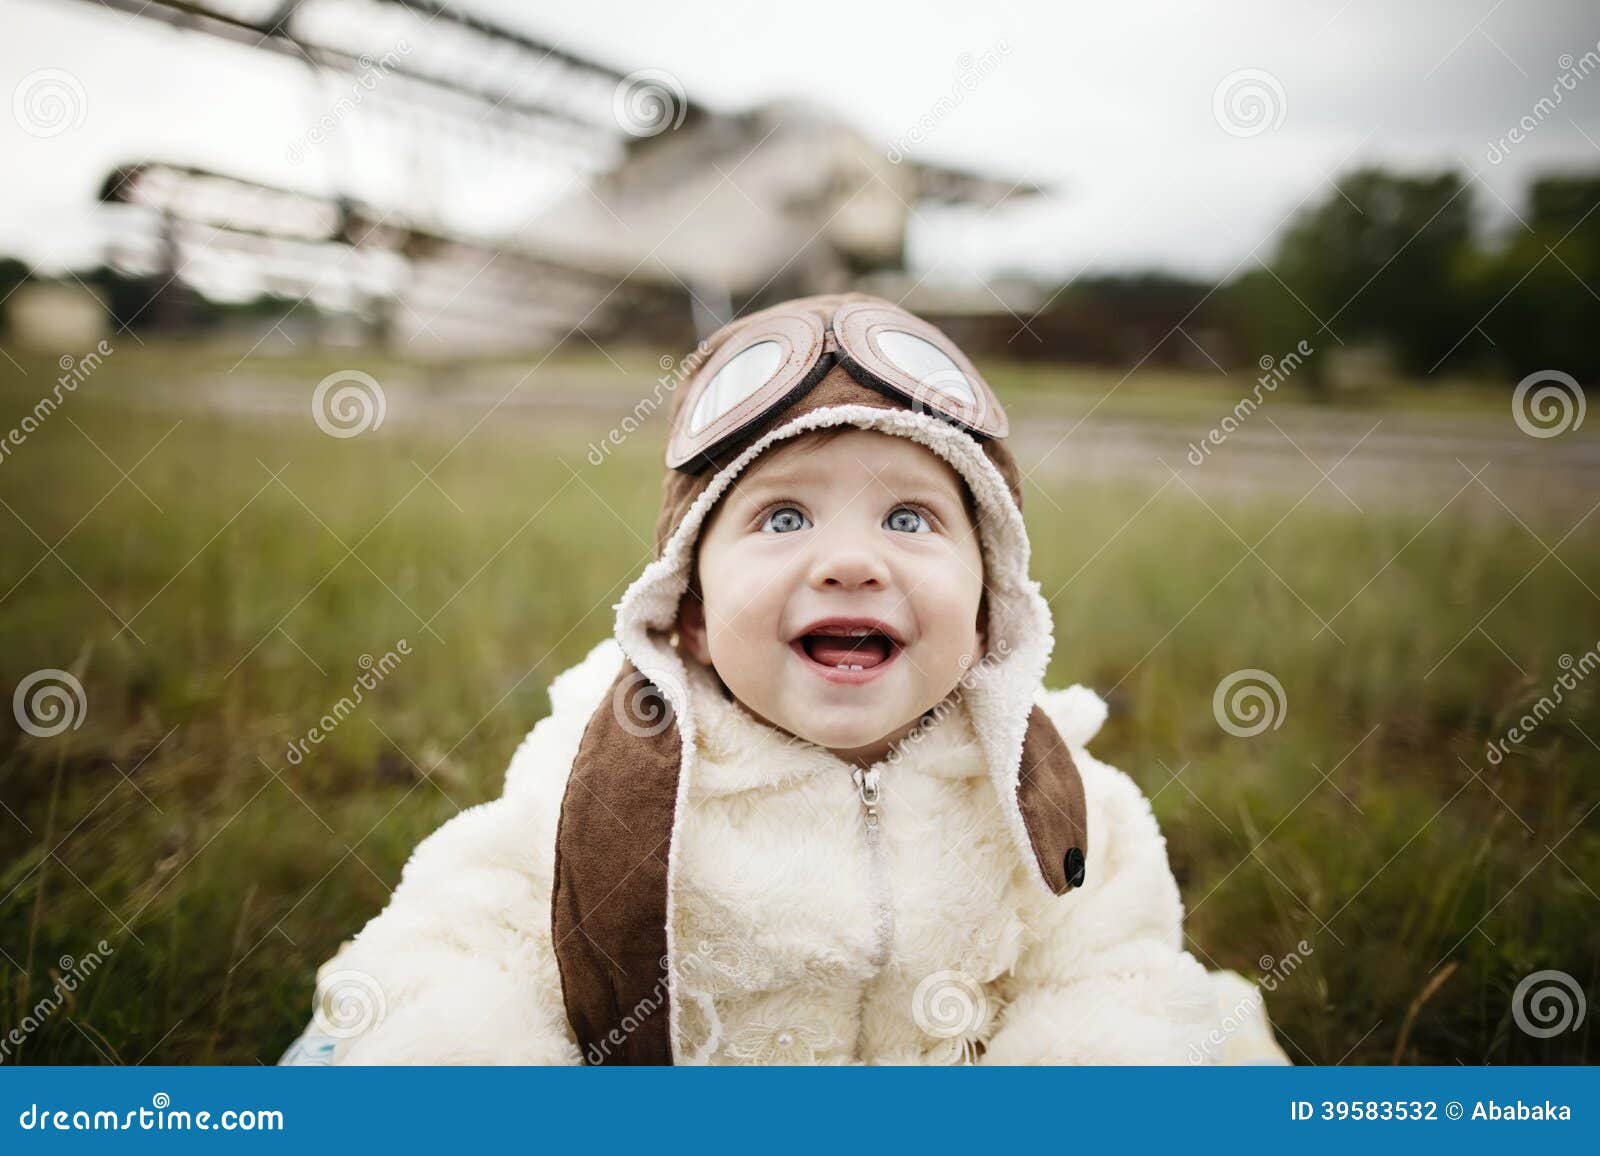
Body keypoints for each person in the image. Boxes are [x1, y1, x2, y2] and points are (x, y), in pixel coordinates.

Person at [280, 293, 1290, 1065]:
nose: (850, 562)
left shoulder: (1052, 797)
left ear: (989, 608)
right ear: (692, 613)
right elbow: (474, 943)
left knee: (1198, 1050)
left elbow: (1104, 976)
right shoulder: (604, 774)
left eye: (909, 519)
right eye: (783, 518)